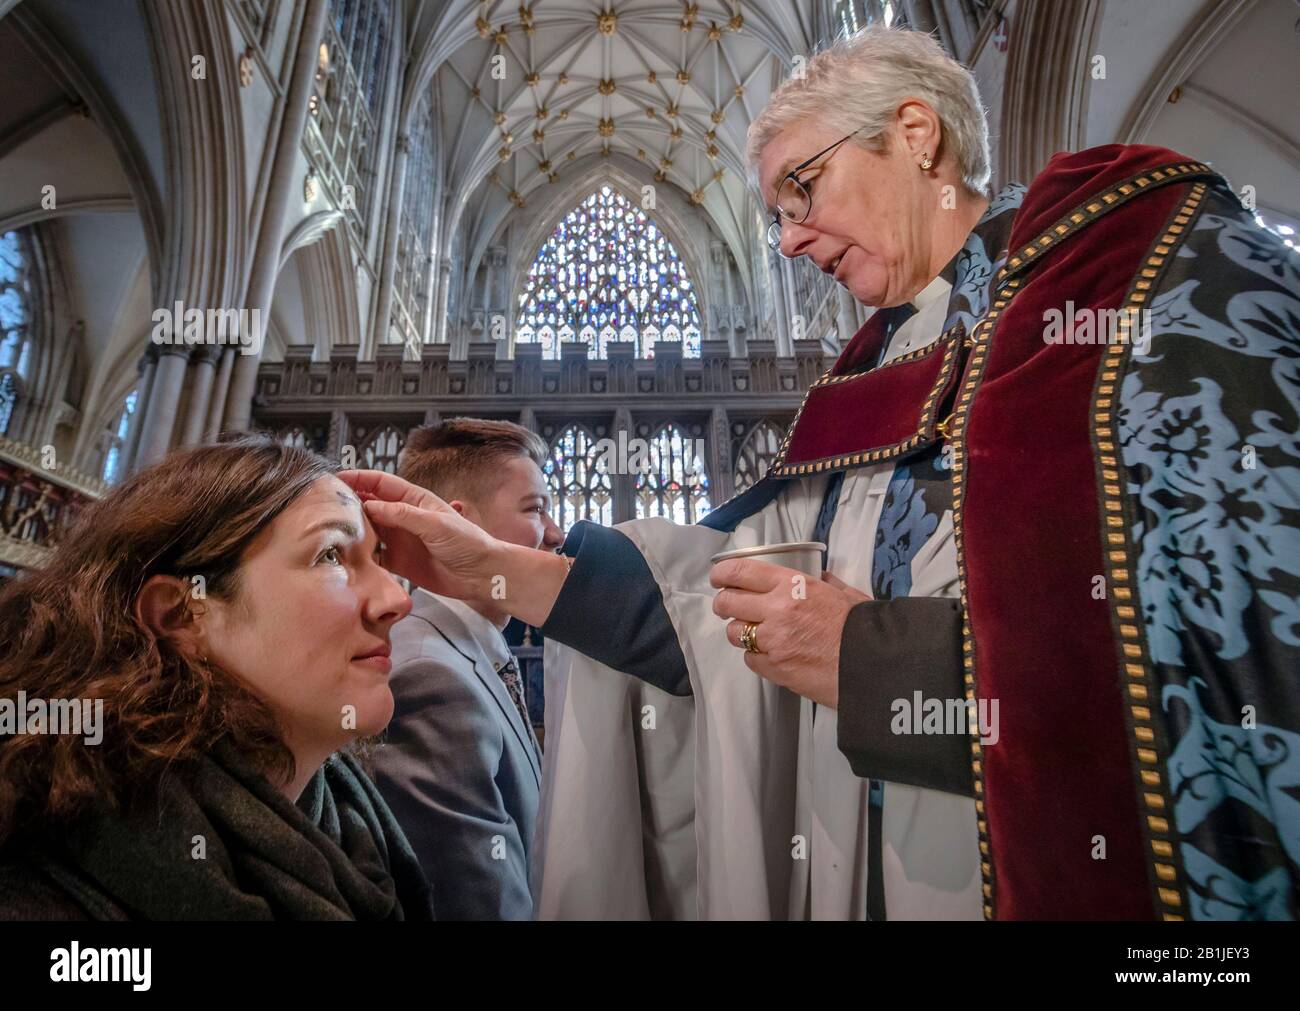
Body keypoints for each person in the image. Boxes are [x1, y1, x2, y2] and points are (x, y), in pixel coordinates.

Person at [344, 26, 1300, 921]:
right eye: (777, 219)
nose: (793, 240)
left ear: (914, 134)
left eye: (803, 189)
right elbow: (708, 605)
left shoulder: (1147, 277)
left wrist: (883, 664)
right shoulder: (867, 384)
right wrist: (487, 565)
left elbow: (1243, 636)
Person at [0, 436, 433, 921]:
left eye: (377, 557)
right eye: (331, 555)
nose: (397, 600)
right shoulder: (41, 894)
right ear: (182, 615)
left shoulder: (355, 827)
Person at [369, 420, 563, 920]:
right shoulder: (428, 677)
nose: (557, 533)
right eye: (536, 509)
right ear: (455, 524)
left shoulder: (473, 649)